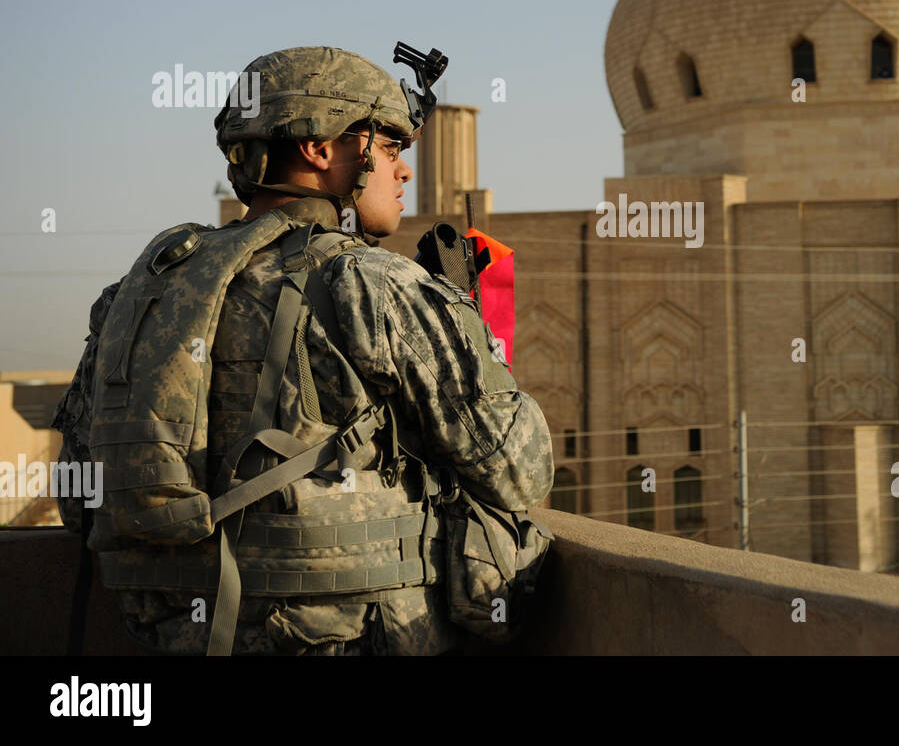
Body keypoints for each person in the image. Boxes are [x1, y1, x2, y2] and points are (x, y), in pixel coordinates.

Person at [53, 45, 553, 655]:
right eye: (390, 148)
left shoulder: (139, 294)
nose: (404, 173)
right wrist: (469, 329)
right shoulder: (374, 283)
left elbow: (79, 502)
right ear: (320, 149)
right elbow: (520, 472)